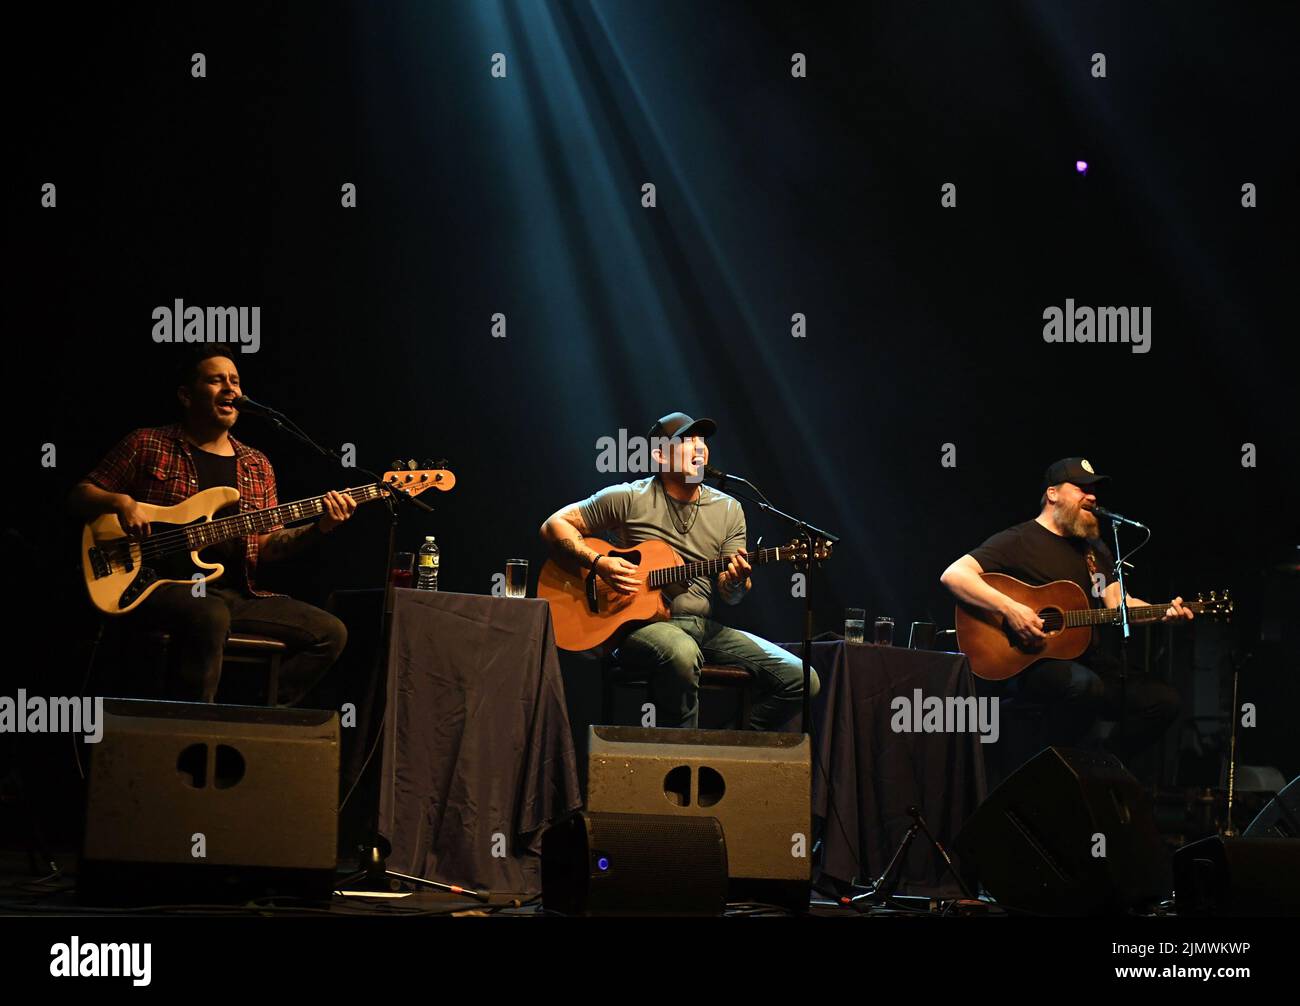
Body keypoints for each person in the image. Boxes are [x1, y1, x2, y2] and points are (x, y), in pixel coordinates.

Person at [68, 347, 354, 705]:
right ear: (187, 395)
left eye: (234, 381)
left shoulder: (256, 464)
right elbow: (80, 494)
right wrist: (121, 502)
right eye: (216, 380)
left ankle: (248, 714)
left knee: (330, 632)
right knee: (210, 614)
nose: (230, 388)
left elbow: (268, 545)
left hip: (237, 595)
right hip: (153, 584)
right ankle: (191, 727)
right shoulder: (147, 443)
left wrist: (321, 526)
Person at [540, 412, 816, 730]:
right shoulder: (629, 497)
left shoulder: (729, 509)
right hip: (639, 629)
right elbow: (554, 526)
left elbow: (731, 593)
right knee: (681, 652)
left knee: (803, 679)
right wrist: (599, 562)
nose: (699, 447)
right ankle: (679, 757)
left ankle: (728, 747)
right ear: (659, 454)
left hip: (701, 627)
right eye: (686, 440)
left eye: (702, 440)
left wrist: (738, 581)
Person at [940, 457, 1190, 762]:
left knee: (1164, 701)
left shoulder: (1094, 549)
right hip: (1032, 661)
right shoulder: (1019, 540)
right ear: (1053, 494)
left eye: (1095, 490)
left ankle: (1099, 763)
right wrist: (1012, 610)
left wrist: (1163, 612)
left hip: (1089, 662)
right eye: (1082, 488)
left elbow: (1118, 604)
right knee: (1084, 686)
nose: (1093, 496)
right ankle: (1049, 767)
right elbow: (954, 574)